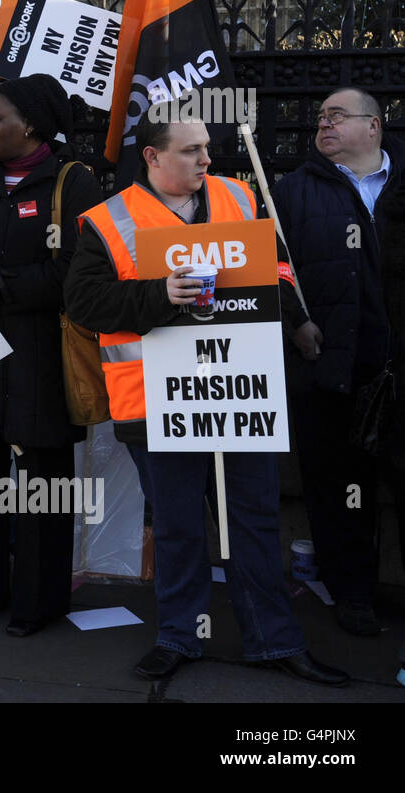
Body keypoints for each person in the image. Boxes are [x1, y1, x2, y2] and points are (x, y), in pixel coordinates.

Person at [64, 115, 347, 685]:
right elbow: (85, 302)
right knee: (177, 526)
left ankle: (274, 640)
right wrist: (158, 295)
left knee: (255, 520)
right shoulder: (106, 220)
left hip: (239, 393)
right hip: (155, 405)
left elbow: (279, 263)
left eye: (208, 151)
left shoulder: (238, 196)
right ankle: (179, 637)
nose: (206, 161)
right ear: (151, 157)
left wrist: (297, 319)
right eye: (191, 151)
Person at [0, 74, 103, 635]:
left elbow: (76, 274)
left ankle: (38, 602)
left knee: (40, 486)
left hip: (41, 359)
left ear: (29, 126)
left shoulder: (73, 183)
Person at [272, 87, 405, 637]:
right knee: (336, 487)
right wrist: (295, 321)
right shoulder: (294, 191)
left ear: (373, 127)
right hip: (327, 367)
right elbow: (268, 265)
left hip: (396, 371)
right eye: (320, 118)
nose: (323, 125)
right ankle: (351, 594)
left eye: (338, 116)